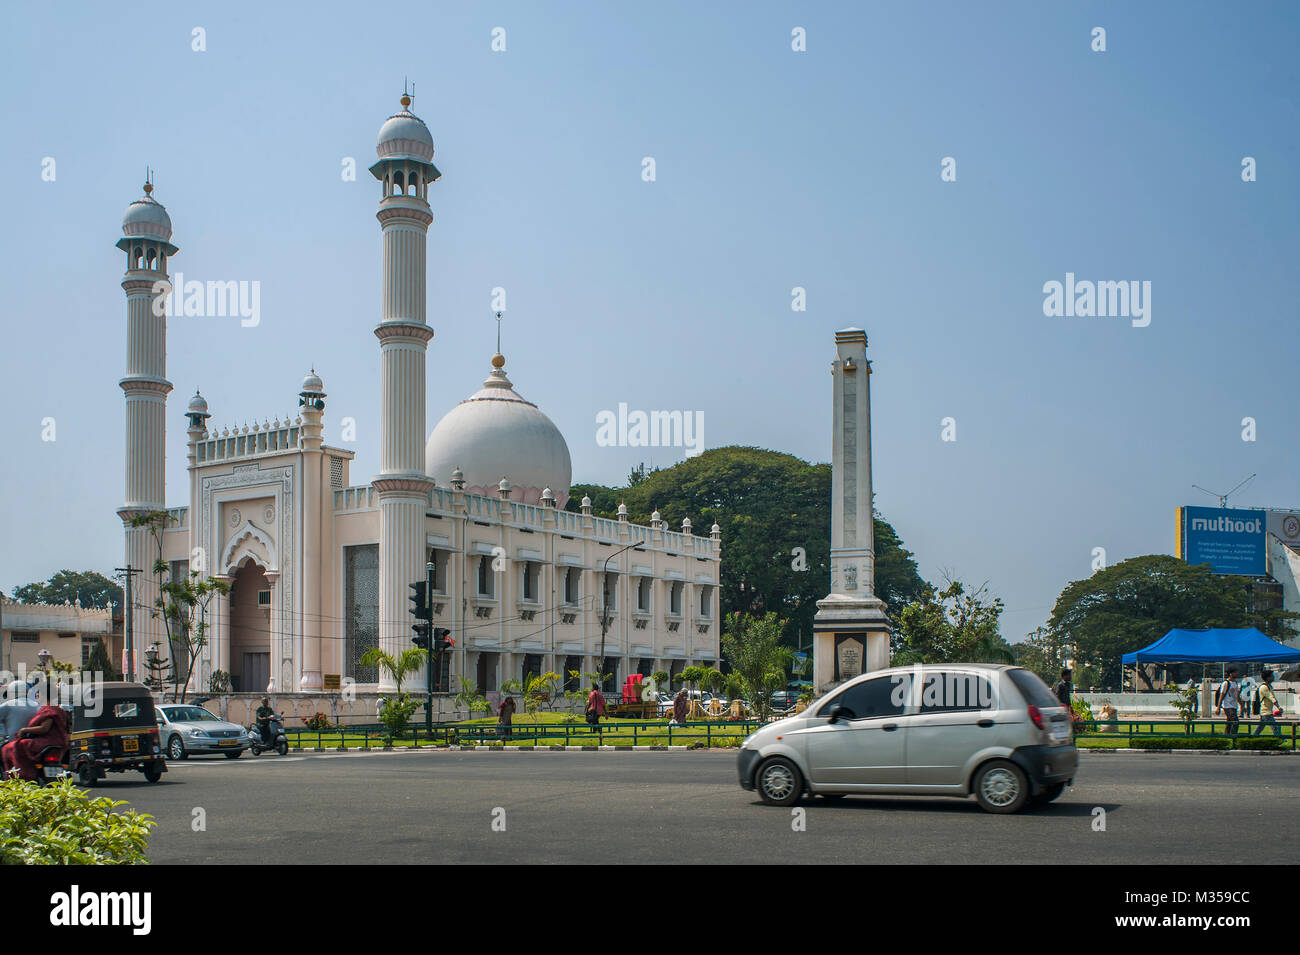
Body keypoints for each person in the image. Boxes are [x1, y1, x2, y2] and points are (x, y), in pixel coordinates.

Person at [1, 703, 69, 781]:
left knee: (9, 747)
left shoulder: (50, 708)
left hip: (48, 741)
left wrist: (24, 730)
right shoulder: (52, 708)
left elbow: (44, 728)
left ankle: (21, 775)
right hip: (54, 741)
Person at [1254, 670, 1282, 737]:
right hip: (1266, 712)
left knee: (1259, 729)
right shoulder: (1264, 687)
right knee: (1275, 728)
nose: (1273, 677)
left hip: (1265, 711)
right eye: (1272, 676)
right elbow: (1271, 698)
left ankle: (1252, 738)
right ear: (1267, 678)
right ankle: (1281, 740)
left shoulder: (1269, 686)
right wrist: (1279, 707)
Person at [1215, 667, 1242, 737]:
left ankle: (1226, 735)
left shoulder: (1235, 682)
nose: (1236, 673)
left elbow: (1237, 695)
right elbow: (1222, 695)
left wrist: (1241, 705)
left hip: (1234, 705)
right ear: (1230, 673)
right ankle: (1233, 736)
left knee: (1229, 722)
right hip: (1227, 706)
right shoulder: (1226, 683)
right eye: (1235, 672)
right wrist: (1218, 707)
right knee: (1235, 722)